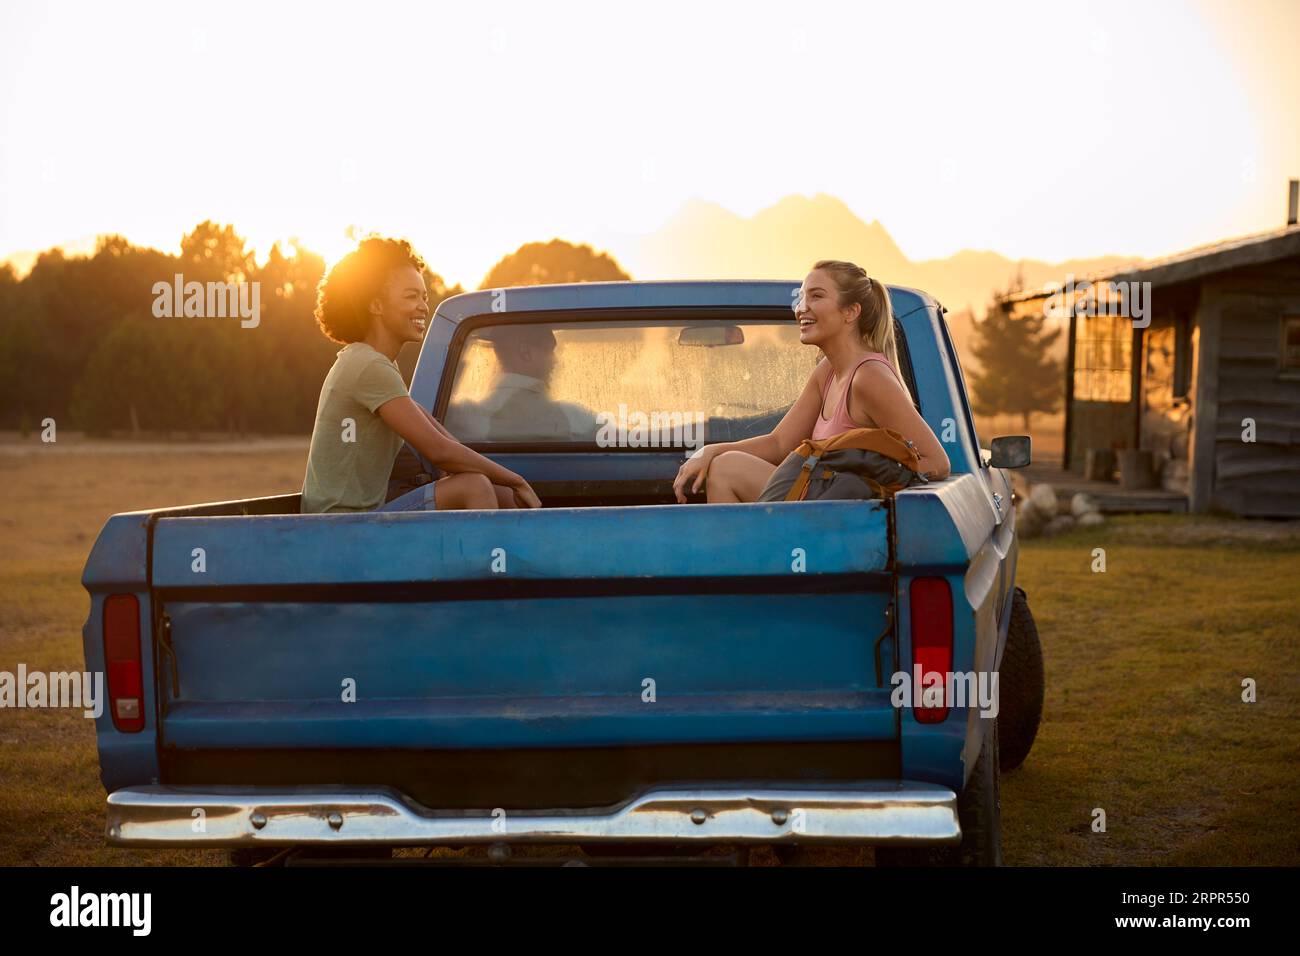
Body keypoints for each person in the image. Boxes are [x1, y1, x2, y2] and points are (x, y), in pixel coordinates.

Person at [672, 259, 950, 504]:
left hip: (836, 513)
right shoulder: (826, 372)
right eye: (802, 298)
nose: (802, 308)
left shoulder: (869, 377)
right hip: (812, 501)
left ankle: (742, 562)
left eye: (816, 296)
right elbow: (780, 444)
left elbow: (937, 462)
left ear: (850, 312)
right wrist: (708, 450)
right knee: (723, 465)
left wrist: (863, 487)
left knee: (727, 468)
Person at [300, 237, 542, 514]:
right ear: (376, 305)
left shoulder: (376, 365)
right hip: (340, 527)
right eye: (411, 296)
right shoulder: (367, 366)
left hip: (358, 521)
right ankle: (484, 559)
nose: (423, 306)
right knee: (474, 487)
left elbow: (444, 440)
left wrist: (507, 488)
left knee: (491, 487)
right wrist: (516, 479)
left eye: (424, 297)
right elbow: (438, 450)